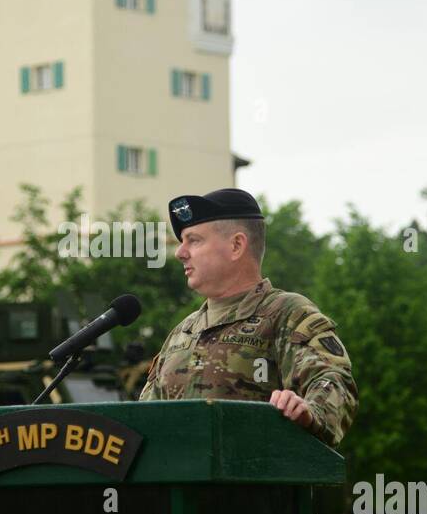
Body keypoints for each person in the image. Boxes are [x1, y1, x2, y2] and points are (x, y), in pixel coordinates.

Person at [138, 188, 358, 448]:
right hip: (176, 487)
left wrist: (309, 411)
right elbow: (144, 422)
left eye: (194, 240)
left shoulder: (287, 313)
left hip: (255, 485)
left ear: (236, 245)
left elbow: (334, 382)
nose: (180, 252)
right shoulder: (182, 332)